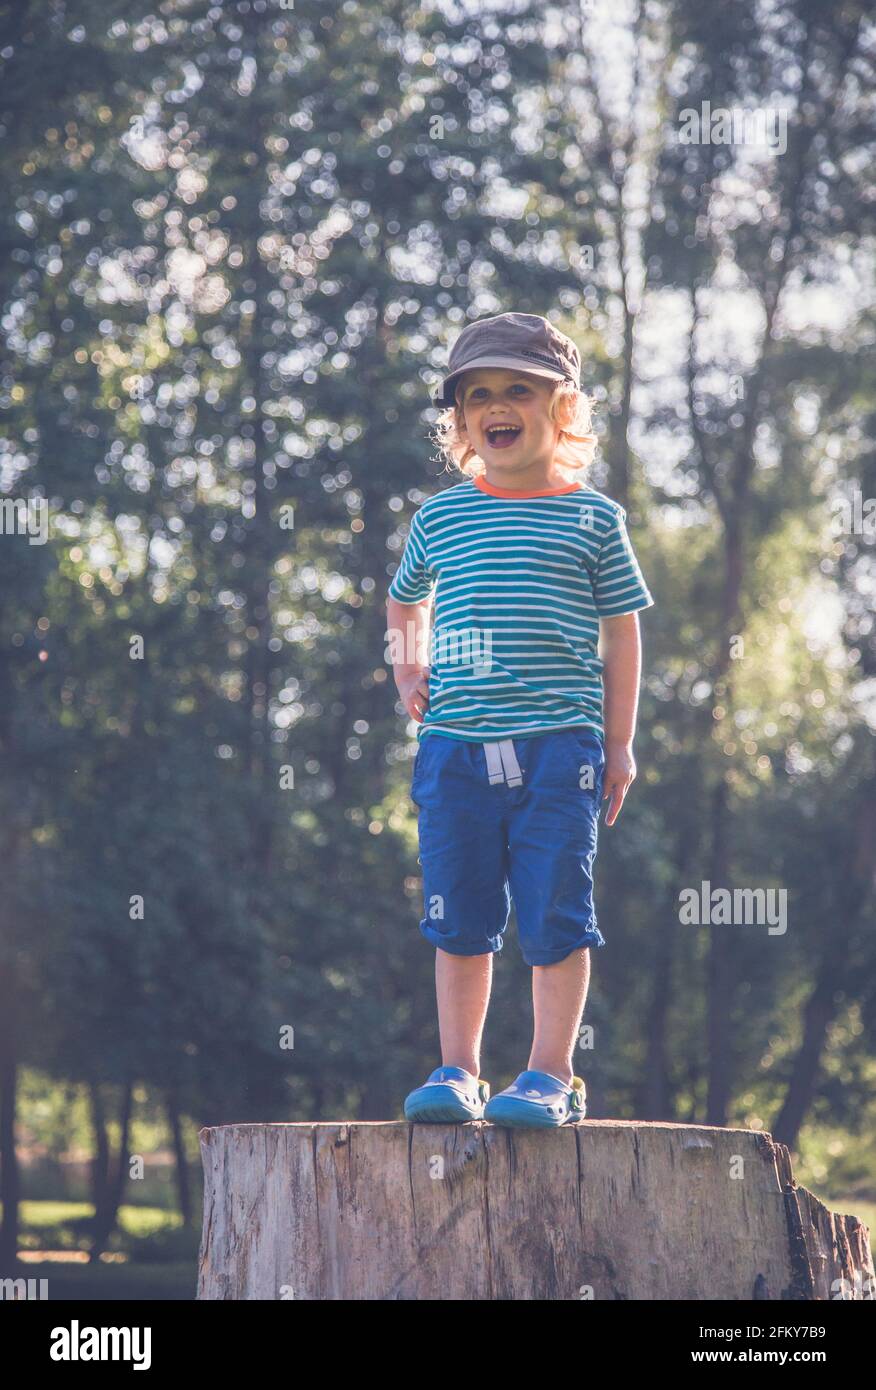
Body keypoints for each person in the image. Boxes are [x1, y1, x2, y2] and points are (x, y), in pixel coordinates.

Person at [385, 312, 654, 1127]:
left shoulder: (595, 519)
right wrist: (407, 664)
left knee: (554, 915)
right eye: (478, 396)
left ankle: (549, 1074)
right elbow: (404, 598)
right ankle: (458, 1071)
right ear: (460, 422)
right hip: (455, 751)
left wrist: (619, 745)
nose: (496, 406)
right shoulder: (440, 517)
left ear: (561, 409)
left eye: (517, 390)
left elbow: (624, 634)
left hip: (560, 752)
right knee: (458, 917)